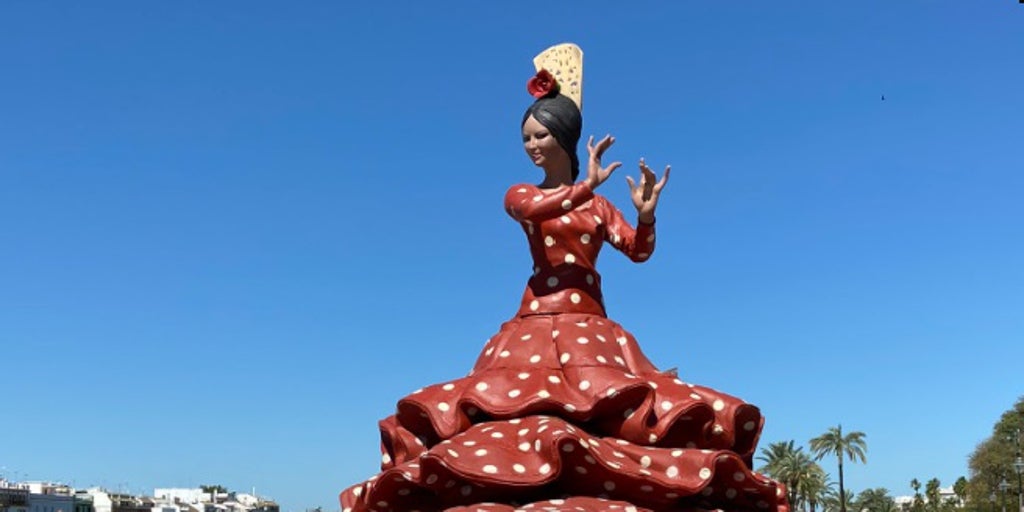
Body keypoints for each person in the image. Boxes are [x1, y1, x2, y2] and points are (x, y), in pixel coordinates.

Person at [339, 43, 789, 512]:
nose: (532, 146)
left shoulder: (595, 205)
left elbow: (637, 252)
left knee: (604, 407)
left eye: (540, 136)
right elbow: (538, 208)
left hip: (591, 326)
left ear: (563, 137)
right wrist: (585, 186)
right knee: (521, 413)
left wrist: (647, 216)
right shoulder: (522, 194)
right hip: (533, 323)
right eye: (526, 138)